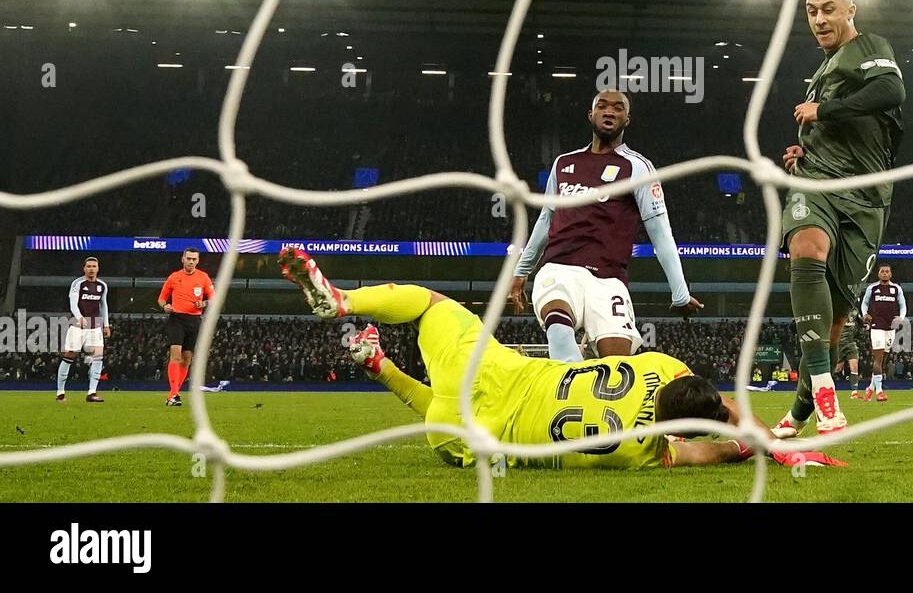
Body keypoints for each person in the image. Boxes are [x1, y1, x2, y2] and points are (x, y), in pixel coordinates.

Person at [279, 247, 842, 470]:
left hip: (503, 370)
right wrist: (763, 452)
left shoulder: (656, 366)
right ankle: (381, 368)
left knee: (431, 305)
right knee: (439, 412)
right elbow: (713, 450)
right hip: (479, 436)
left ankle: (345, 301)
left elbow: (726, 407)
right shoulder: (639, 451)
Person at [774, 0, 905, 437]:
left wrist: (822, 113)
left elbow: (890, 92)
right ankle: (828, 398)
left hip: (867, 198)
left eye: (829, 8)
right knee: (805, 251)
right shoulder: (822, 73)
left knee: (836, 317)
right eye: (811, 11)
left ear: (851, 10)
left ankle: (799, 411)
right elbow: (831, 123)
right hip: (815, 183)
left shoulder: (868, 46)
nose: (819, 18)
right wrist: (803, 149)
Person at [508, 90, 702, 362]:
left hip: (608, 279)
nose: (609, 111)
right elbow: (546, 218)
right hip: (560, 268)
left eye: (618, 107)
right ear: (591, 114)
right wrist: (522, 270)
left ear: (627, 119)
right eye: (602, 105)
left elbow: (661, 233)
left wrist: (680, 293)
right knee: (559, 325)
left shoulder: (637, 168)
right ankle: (572, 385)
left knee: (616, 366)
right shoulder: (564, 163)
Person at [158, 247, 214, 406]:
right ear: (182, 259)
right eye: (188, 258)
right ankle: (174, 394)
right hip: (177, 318)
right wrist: (165, 306)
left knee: (187, 359)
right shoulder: (174, 277)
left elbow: (213, 298)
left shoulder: (203, 277)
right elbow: (161, 298)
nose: (191, 261)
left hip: (194, 320)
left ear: (198, 260)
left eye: (194, 259)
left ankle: (172, 395)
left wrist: (203, 303)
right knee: (175, 355)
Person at [56, 257, 110, 403]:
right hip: (77, 325)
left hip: (95, 325)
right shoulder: (78, 283)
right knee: (69, 356)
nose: (91, 269)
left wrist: (106, 325)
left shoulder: (102, 286)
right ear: (84, 268)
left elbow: (103, 305)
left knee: (98, 357)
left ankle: (92, 392)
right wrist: (79, 317)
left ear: (98, 268)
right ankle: (60, 392)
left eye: (94, 266)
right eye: (89, 266)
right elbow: (73, 303)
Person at [860, 263, 906, 402]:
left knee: (883, 361)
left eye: (887, 271)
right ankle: (879, 392)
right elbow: (864, 303)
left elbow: (903, 305)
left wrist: (901, 317)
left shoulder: (896, 288)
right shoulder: (872, 288)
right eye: (882, 271)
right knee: (878, 359)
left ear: (890, 274)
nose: (885, 273)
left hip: (890, 327)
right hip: (877, 325)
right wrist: (865, 314)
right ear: (878, 274)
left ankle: (870, 388)